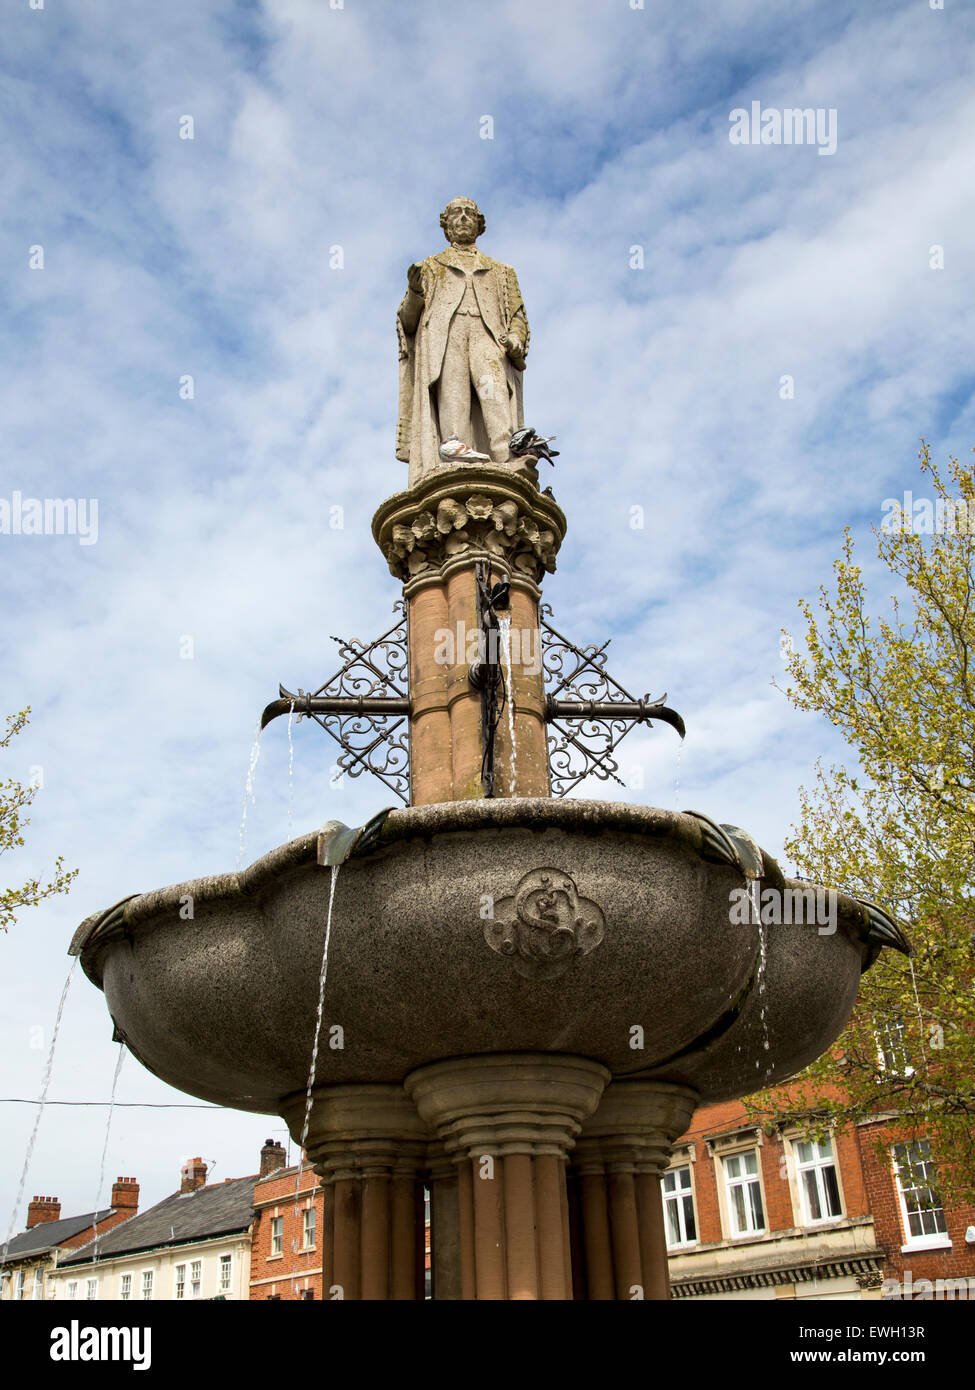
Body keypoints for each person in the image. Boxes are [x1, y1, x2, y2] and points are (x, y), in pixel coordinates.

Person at [396, 197, 530, 486]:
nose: (463, 218)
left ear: (479, 224)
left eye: (470, 214)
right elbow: (407, 322)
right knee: (452, 392)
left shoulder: (502, 272)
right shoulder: (431, 267)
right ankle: (455, 452)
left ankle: (505, 454)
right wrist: (415, 292)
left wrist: (517, 339)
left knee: (493, 389)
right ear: (446, 224)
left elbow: (517, 316)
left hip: (487, 334)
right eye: (456, 213)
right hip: (445, 335)